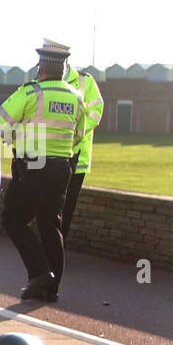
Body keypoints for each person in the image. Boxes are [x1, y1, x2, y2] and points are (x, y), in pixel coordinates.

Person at [0, 44, 85, 302]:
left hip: (33, 165)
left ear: (42, 68)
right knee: (50, 224)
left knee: (13, 219)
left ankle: (39, 273)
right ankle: (51, 288)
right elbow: (79, 136)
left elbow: (2, 125)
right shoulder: (75, 96)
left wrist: (16, 140)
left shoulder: (30, 92)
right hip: (62, 167)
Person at [47, 41, 105, 245]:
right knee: (46, 205)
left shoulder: (84, 82)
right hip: (48, 155)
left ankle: (57, 250)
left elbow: (95, 113)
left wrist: (73, 132)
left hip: (75, 158)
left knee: (66, 207)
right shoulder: (43, 80)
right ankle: (48, 247)